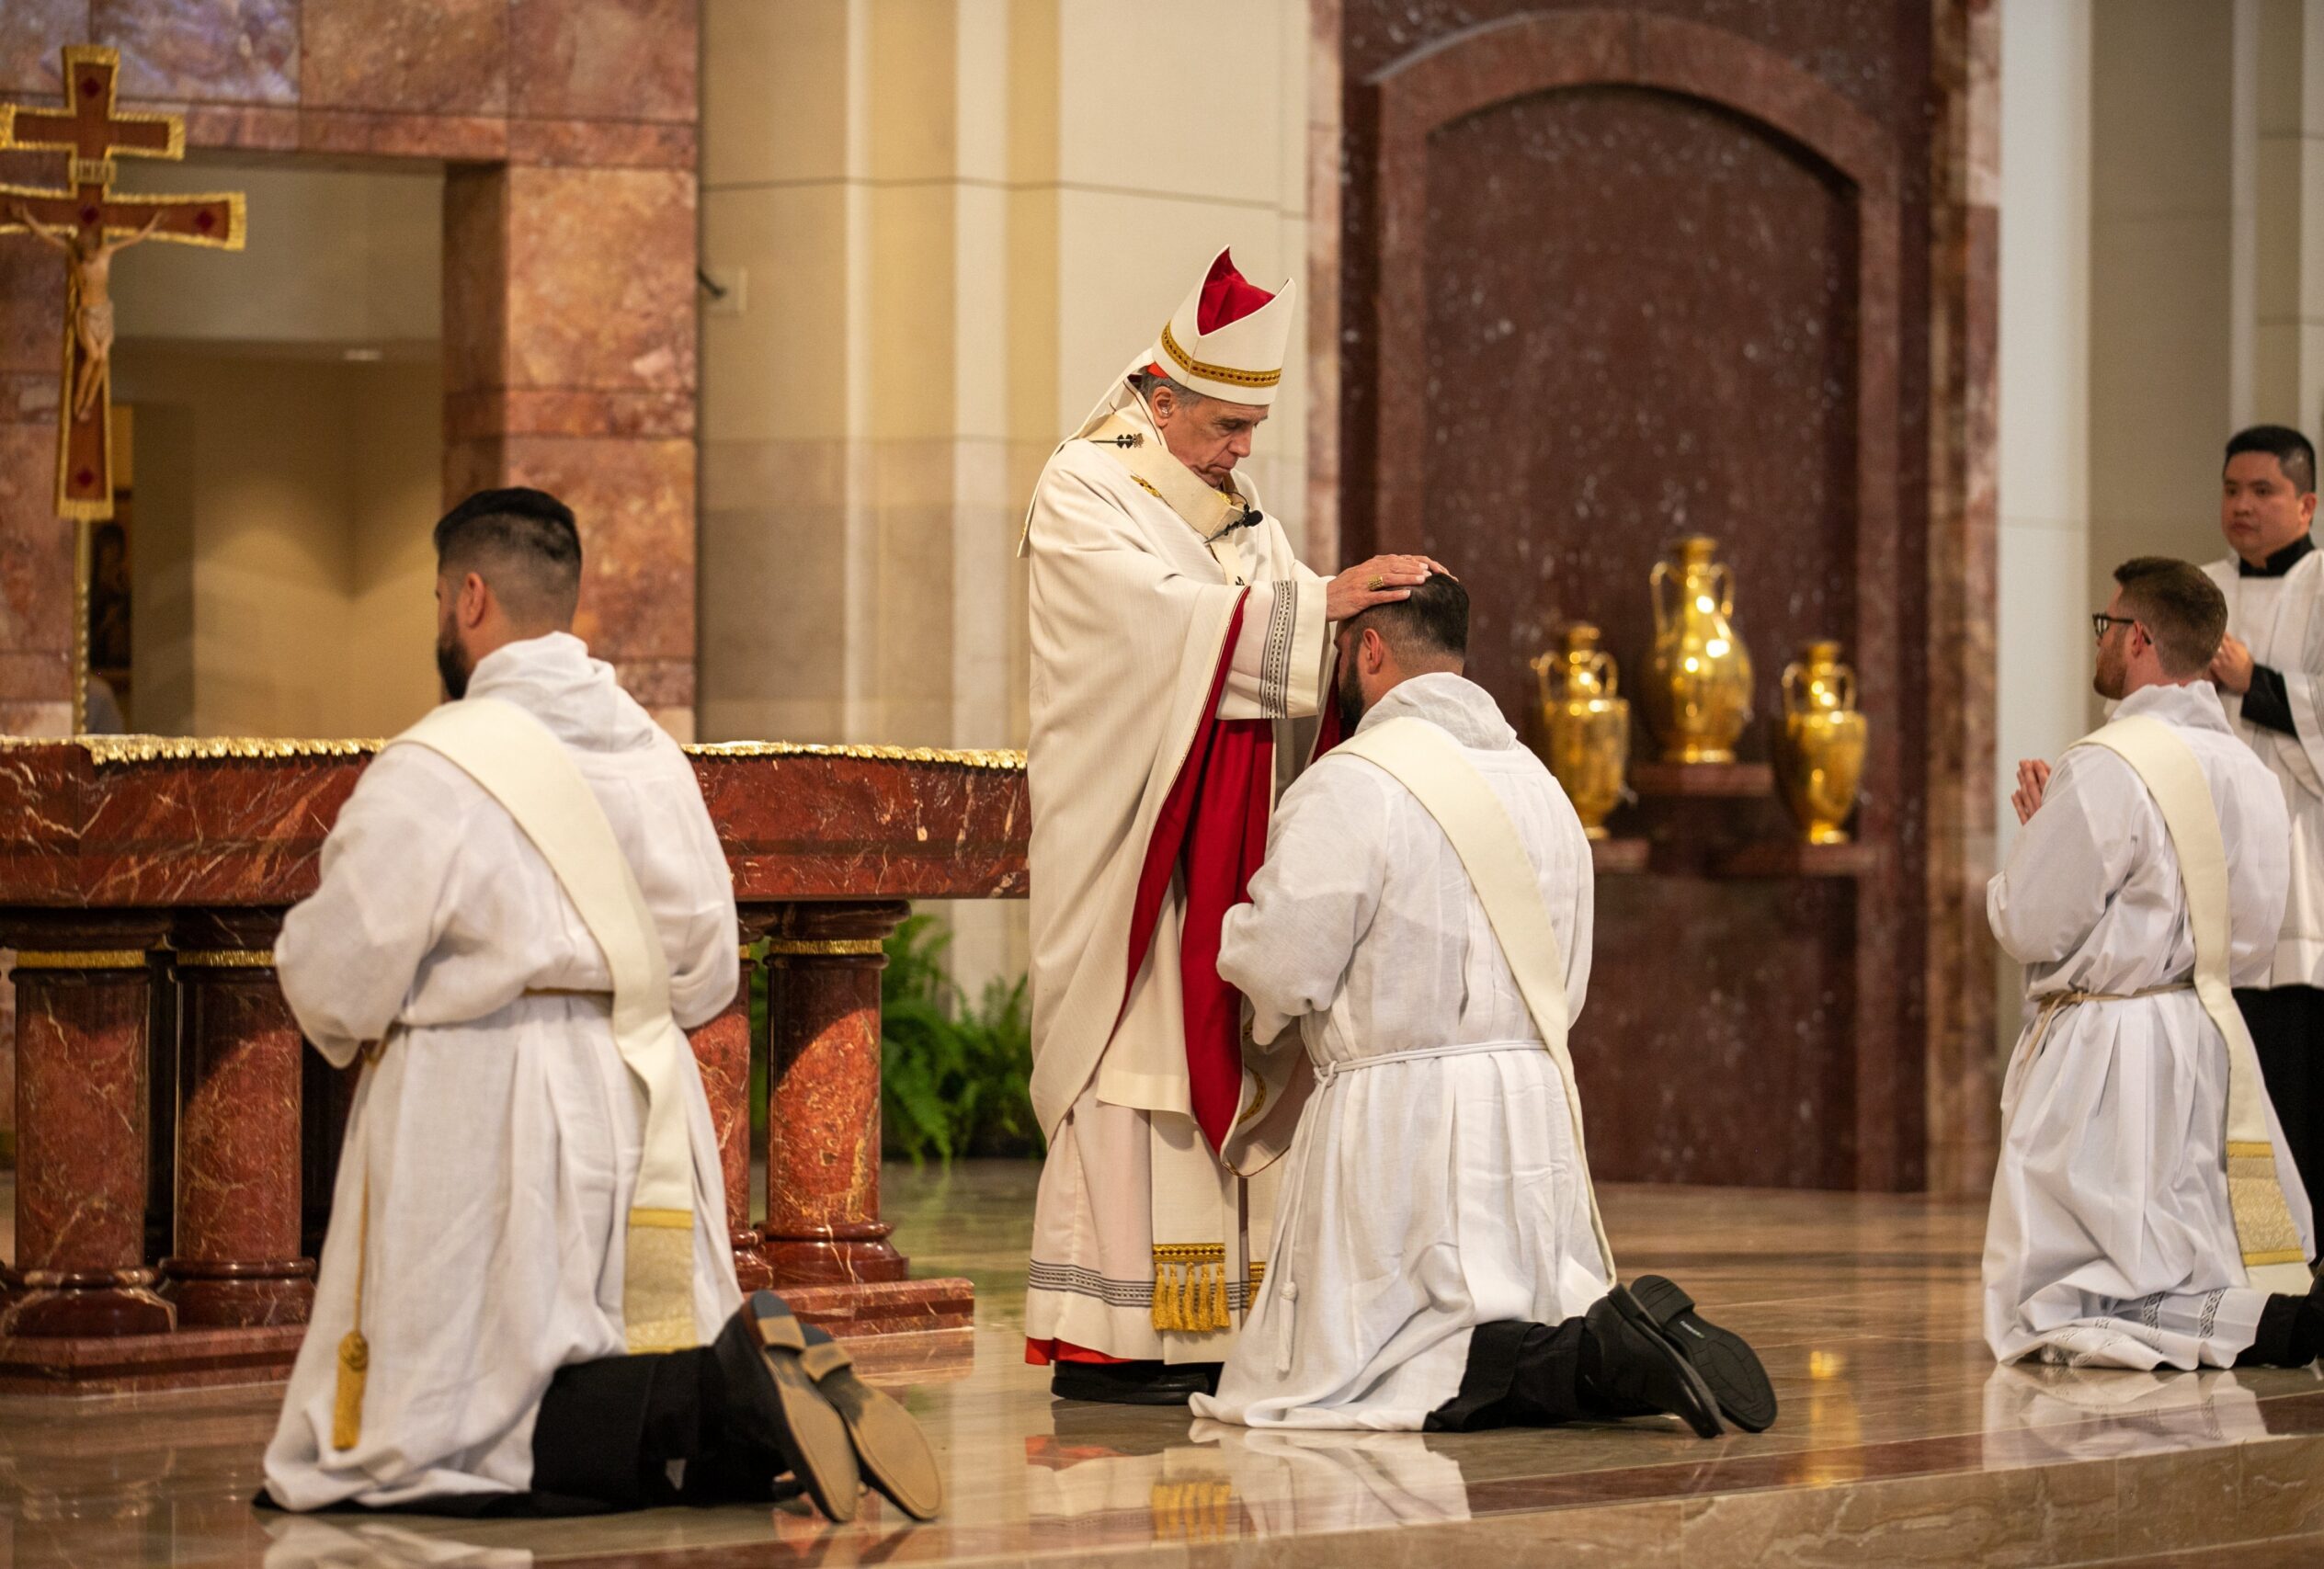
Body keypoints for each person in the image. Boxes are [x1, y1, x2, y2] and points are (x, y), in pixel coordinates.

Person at [262, 488, 938, 1522]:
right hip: (641, 1087)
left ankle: (717, 1402)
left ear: (470, 597)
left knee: (464, 1404)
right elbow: (707, 967)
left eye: (439, 599)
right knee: (624, 1330)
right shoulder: (651, 753)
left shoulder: (435, 764)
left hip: (481, 1093)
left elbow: (341, 967)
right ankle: (726, 1405)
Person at [1191, 574, 1774, 1436]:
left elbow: (1284, 964)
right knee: (1504, 1309)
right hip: (1530, 1104)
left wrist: (1227, 935)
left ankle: (1604, 1358)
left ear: (1370, 649)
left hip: (1405, 1117)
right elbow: (1567, 978)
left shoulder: (1350, 783)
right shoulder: (1542, 784)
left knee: (1390, 1361)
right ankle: (1609, 1351)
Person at [1021, 247, 1448, 1404]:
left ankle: (1215, 1332)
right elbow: (1147, 633)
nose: (1241, 450)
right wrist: (1318, 602)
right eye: (1224, 425)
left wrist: (1355, 625)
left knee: (1216, 1049)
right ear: (1159, 402)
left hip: (1223, 837)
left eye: (1252, 428)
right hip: (1131, 841)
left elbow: (1278, 639)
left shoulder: (1239, 513)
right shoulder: (1085, 488)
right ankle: (1114, 1342)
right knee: (1137, 1070)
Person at [1987, 555, 2324, 1370]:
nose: (2101, 639)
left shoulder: (2108, 763)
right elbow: (2251, 931)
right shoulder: (2250, 772)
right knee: (2193, 1243)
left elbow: (2030, 922)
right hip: (2209, 1035)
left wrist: (2035, 845)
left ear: (2140, 638)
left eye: (2108, 624)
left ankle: (2290, 1327)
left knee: (2072, 1291)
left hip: (2108, 1051)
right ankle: (2289, 1318)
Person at [2202, 425, 2324, 1259]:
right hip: (2218, 874)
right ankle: (2258, 1264)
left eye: (2263, 491)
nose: (2243, 506)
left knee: (2319, 1090)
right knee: (2239, 1097)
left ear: (2307, 503)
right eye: (2232, 489)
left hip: (2315, 878)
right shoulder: (2195, 594)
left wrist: (2249, 681)